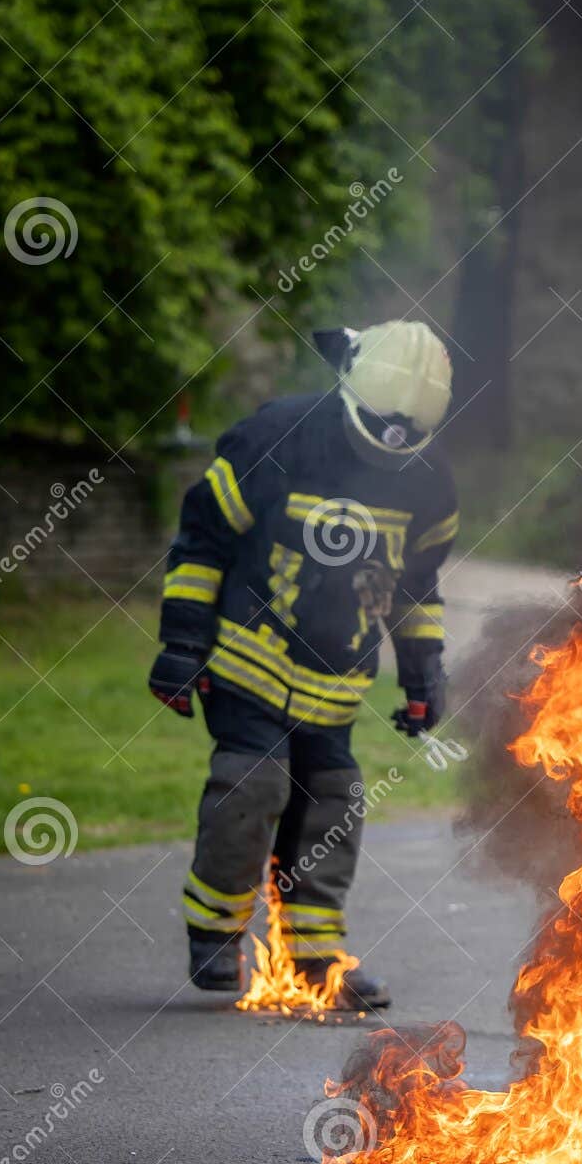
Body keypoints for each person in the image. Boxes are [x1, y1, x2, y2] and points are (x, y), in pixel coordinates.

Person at [148, 321, 459, 1008]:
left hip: (336, 685)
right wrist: (180, 646)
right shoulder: (277, 439)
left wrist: (422, 675)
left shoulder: (431, 486)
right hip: (248, 663)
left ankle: (315, 957)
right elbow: (201, 543)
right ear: (349, 394)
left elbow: (415, 592)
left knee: (336, 804)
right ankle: (216, 935)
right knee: (253, 783)